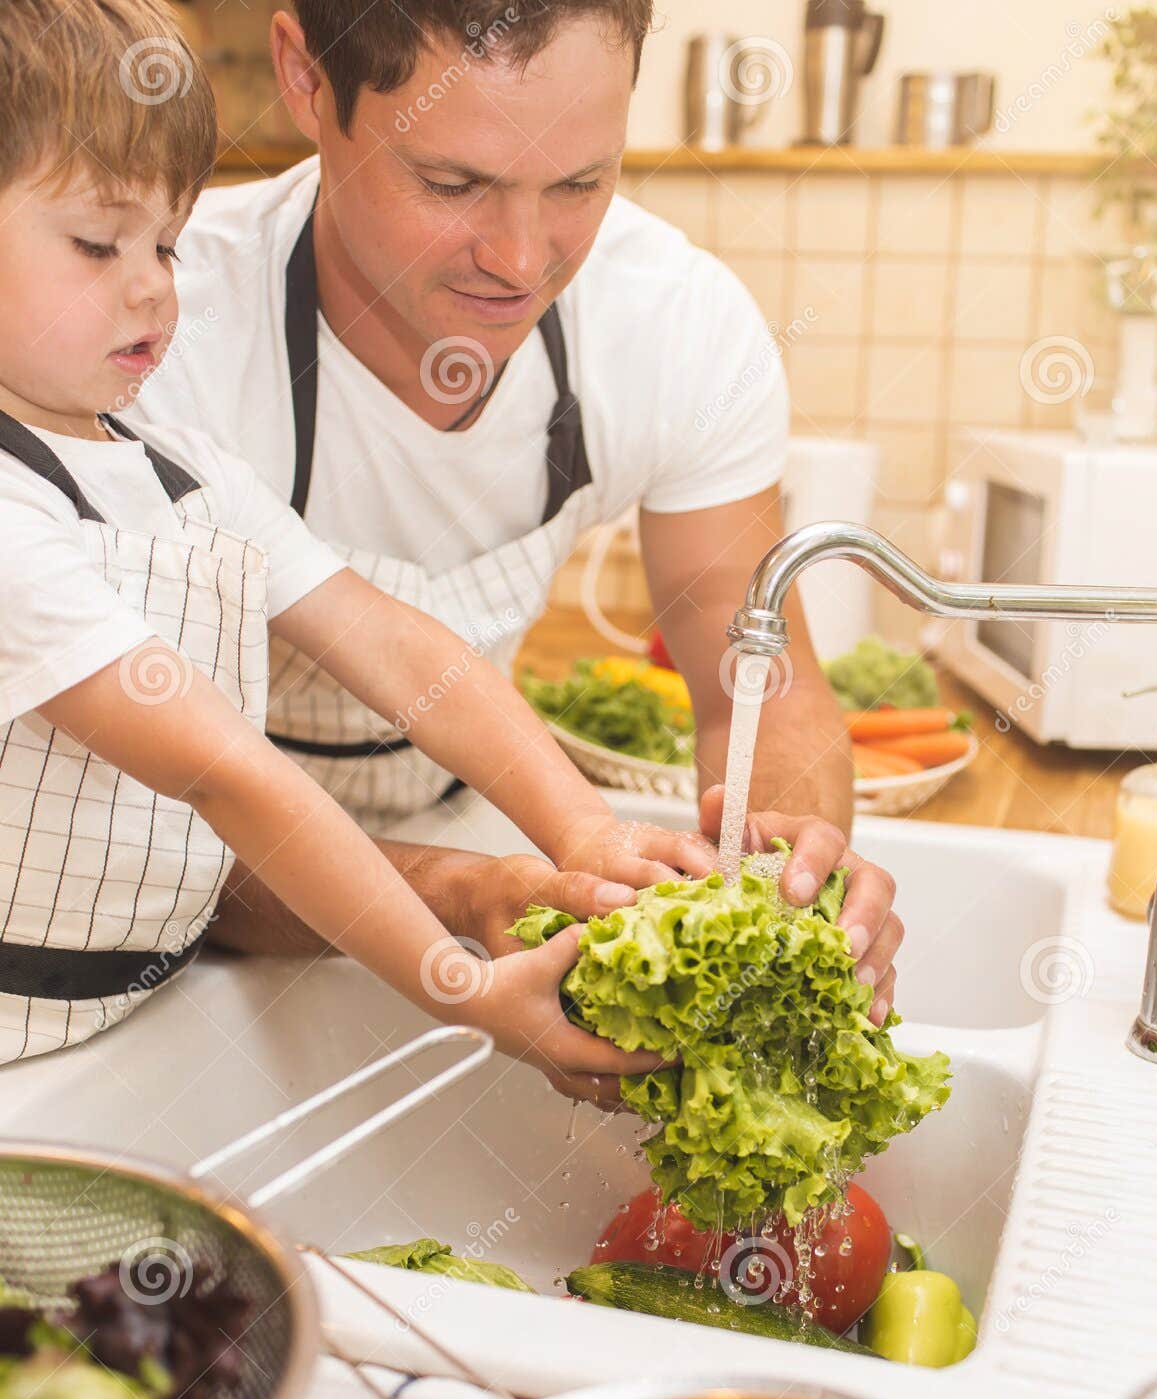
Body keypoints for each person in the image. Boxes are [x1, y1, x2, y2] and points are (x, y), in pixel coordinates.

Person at [133, 0, 905, 1024]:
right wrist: (458, 892)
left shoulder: (673, 323)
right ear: (306, 77)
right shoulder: (148, 332)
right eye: (452, 185)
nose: (522, 258)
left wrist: (792, 884)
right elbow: (131, 828)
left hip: (471, 890)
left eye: (581, 183)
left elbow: (753, 687)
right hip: (169, 936)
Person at [0, 0, 713, 1098]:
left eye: (166, 243)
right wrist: (461, 990)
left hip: (131, 1013)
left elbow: (385, 640)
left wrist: (590, 832)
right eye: (98, 244)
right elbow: (231, 776)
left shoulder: (178, 460)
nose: (150, 284)